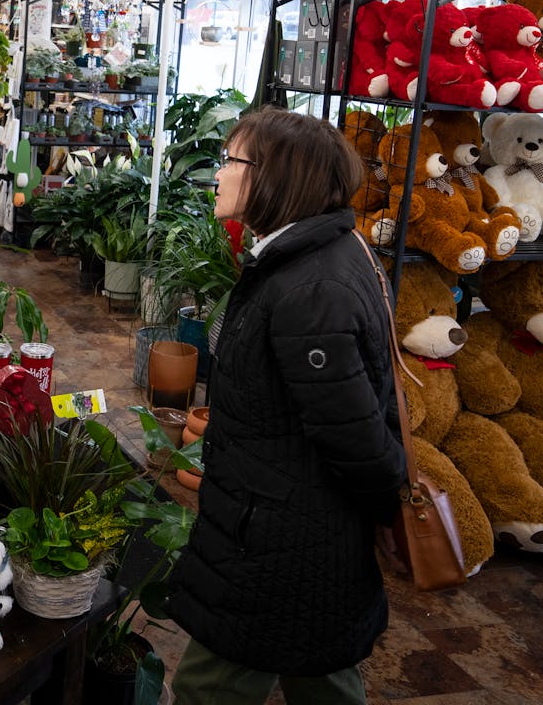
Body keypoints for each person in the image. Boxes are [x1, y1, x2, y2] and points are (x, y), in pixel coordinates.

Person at [168, 107, 408, 705]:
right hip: (288, 530)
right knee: (320, 671)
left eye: (231, 160)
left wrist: (383, 511)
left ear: (278, 176)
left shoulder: (311, 288)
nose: (217, 174)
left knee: (210, 684)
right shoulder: (301, 260)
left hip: (279, 540)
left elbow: (356, 437)